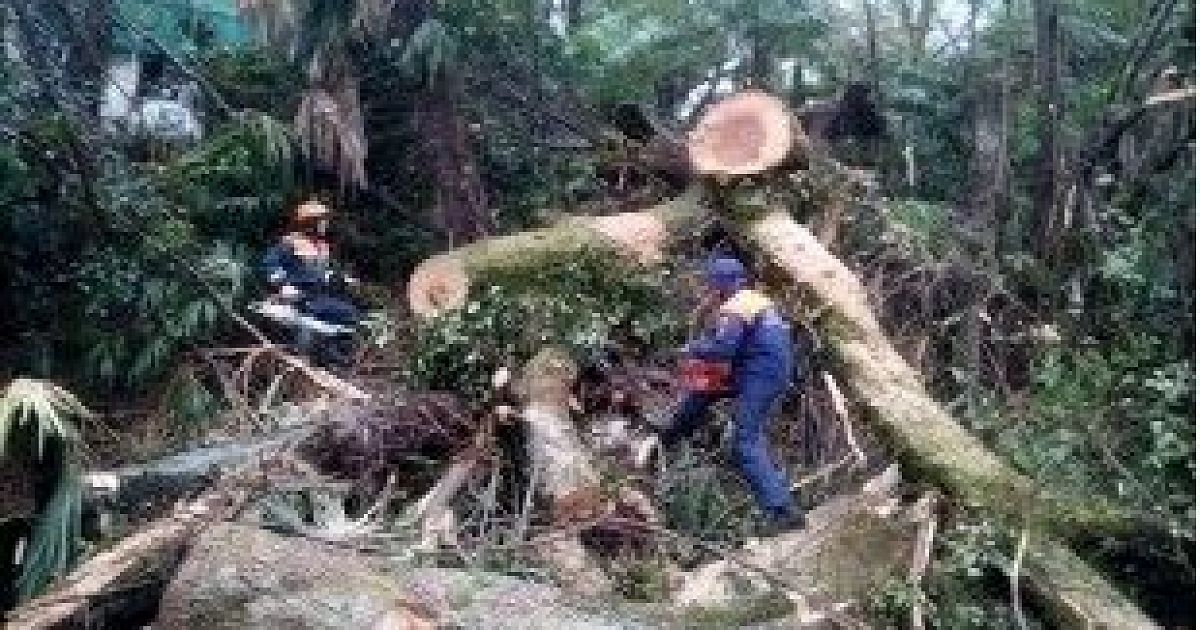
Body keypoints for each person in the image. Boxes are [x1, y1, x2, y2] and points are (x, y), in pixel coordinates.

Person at [661, 255, 804, 531]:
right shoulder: (758, 301)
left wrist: (692, 349)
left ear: (721, 284)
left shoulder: (736, 308)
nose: (710, 291)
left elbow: (723, 350)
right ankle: (671, 436)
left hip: (759, 377)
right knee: (703, 392)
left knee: (745, 441)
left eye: (712, 285)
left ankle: (782, 511)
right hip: (762, 370)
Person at [260, 199, 361, 367]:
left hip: (318, 295)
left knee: (351, 313)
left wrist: (343, 279)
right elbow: (270, 264)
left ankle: (329, 353)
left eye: (325, 220)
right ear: (309, 223)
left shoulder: (322, 246)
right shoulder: (290, 243)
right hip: (299, 296)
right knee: (346, 314)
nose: (325, 224)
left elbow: (323, 273)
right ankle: (320, 353)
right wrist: (283, 285)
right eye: (322, 220)